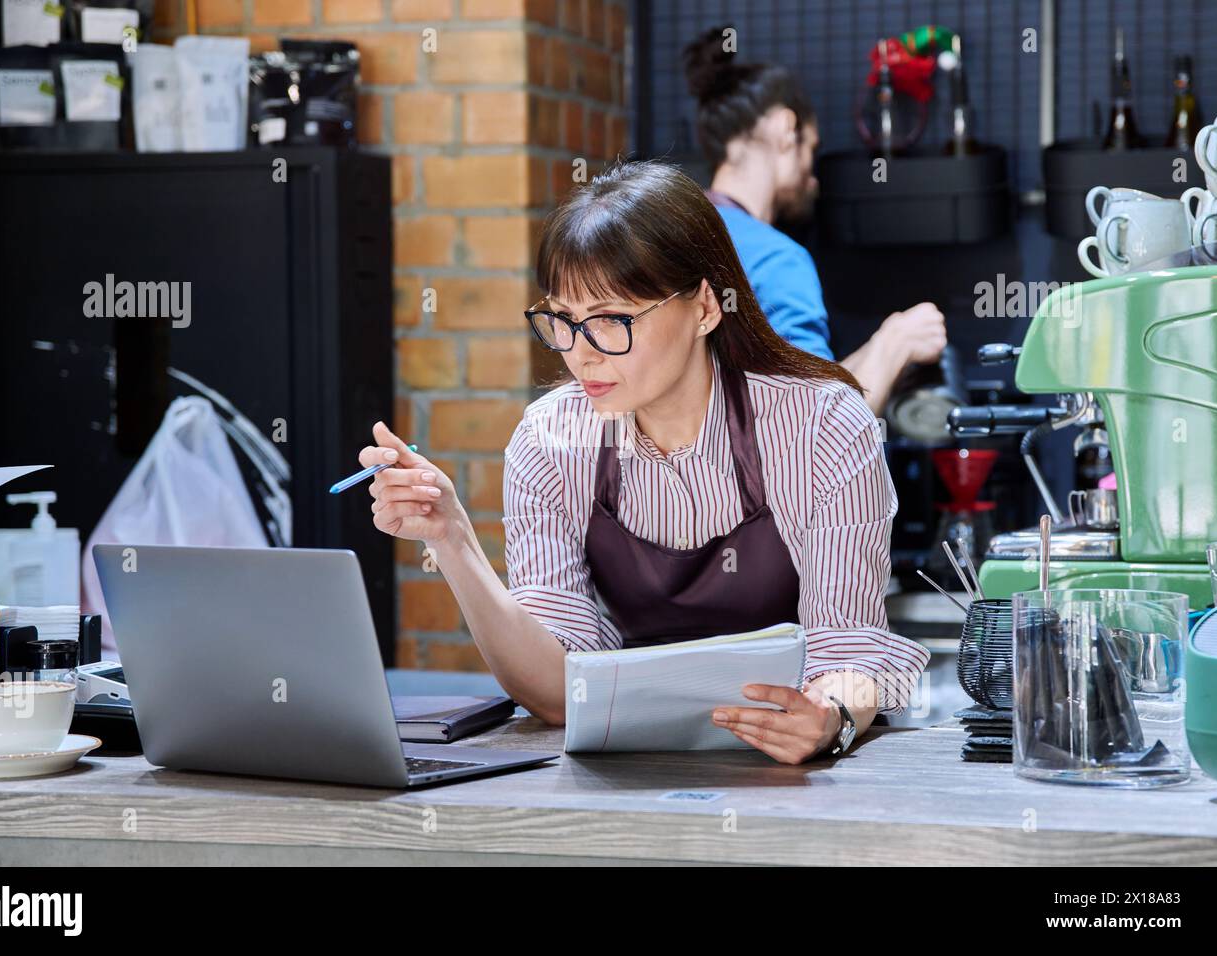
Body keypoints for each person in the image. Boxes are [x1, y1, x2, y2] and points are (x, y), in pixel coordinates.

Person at [357, 161, 929, 766]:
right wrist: (453, 541)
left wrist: (828, 719)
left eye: (611, 320)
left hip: (793, 768)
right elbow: (558, 689)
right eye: (564, 321)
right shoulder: (551, 441)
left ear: (705, 306)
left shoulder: (823, 426)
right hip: (630, 765)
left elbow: (850, 653)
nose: (581, 355)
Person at [684, 27, 947, 415]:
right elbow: (812, 424)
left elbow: (801, 391)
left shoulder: (677, 233)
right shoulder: (776, 258)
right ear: (786, 130)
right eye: (812, 148)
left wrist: (879, 347)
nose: (814, 178)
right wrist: (897, 344)